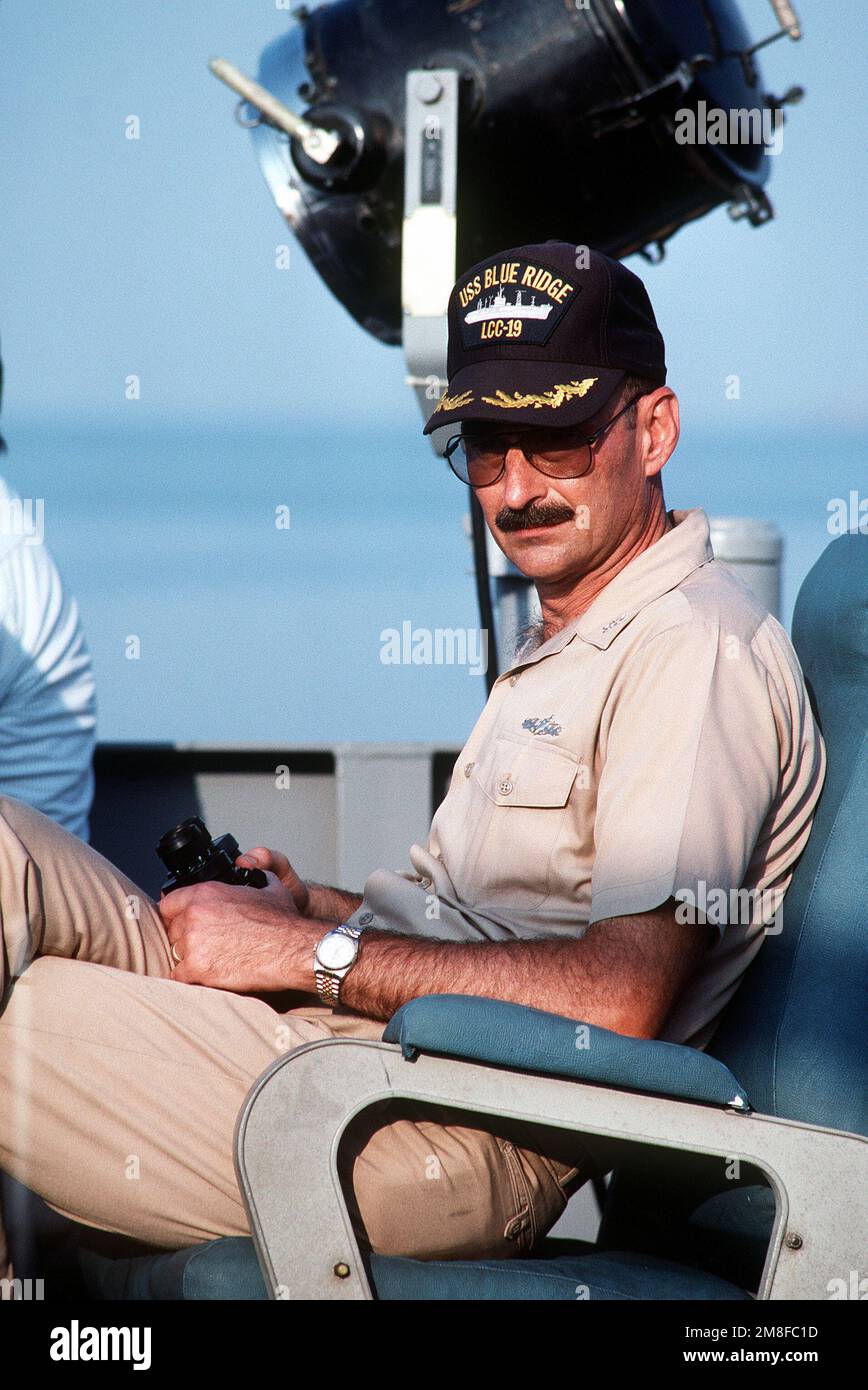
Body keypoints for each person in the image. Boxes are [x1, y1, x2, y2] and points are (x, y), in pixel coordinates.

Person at [0, 243, 825, 1279]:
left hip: (440, 1131)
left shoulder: (691, 652)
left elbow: (619, 999)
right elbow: (482, 922)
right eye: (486, 446)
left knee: (18, 1017)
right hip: (375, 1054)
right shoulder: (571, 634)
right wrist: (309, 908)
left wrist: (312, 958)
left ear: (652, 429)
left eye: (557, 437)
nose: (515, 489)